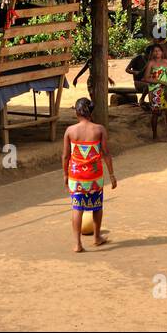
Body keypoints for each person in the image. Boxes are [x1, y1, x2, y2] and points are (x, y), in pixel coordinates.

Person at [63, 98, 116, 251]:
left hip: (76, 176)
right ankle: (97, 237)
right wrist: (112, 175)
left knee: (77, 208)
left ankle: (77, 244)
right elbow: (106, 154)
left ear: (76, 112)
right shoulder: (99, 129)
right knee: (97, 206)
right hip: (94, 177)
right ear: (90, 112)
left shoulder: (70, 131)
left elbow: (65, 156)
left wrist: (65, 175)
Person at [142, 43, 167, 141]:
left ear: (162, 52)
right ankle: (155, 135)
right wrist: (159, 81)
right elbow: (146, 78)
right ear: (152, 53)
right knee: (155, 112)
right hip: (155, 91)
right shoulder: (151, 63)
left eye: (159, 50)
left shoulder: (166, 62)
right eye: (155, 51)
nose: (157, 52)